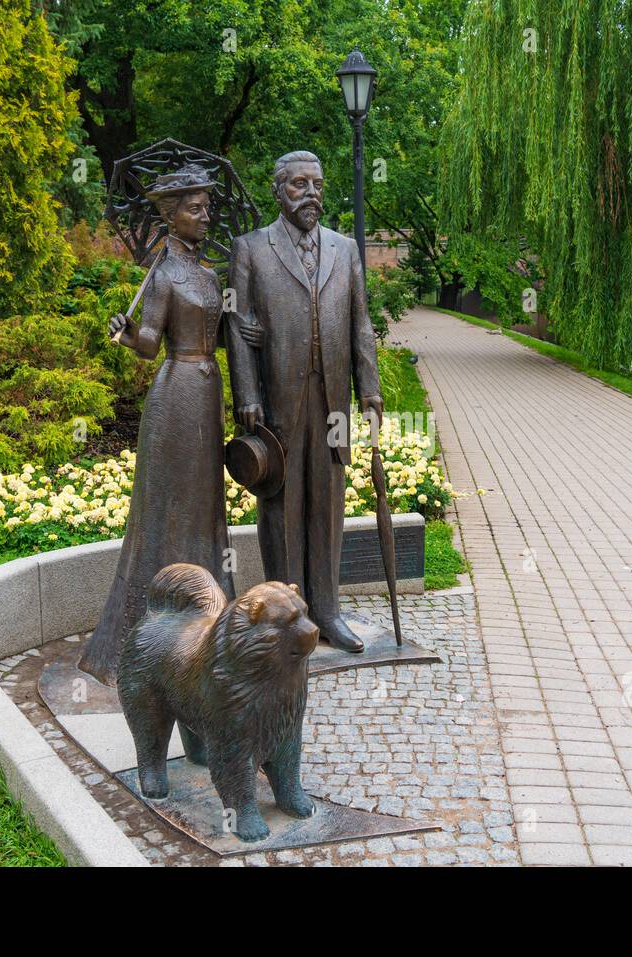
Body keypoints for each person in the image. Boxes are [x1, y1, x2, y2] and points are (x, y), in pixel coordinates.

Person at [79, 164, 235, 685]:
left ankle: (211, 621)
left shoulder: (209, 273)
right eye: (195, 208)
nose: (205, 216)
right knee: (169, 508)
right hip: (177, 394)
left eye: (207, 207)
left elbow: (223, 330)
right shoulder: (163, 275)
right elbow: (149, 346)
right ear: (171, 216)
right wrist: (123, 333)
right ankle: (146, 639)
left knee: (205, 506)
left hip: (208, 391)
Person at [225, 150, 383, 653]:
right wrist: (246, 394)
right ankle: (286, 615)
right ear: (278, 192)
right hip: (276, 400)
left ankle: (329, 612)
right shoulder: (250, 249)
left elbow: (360, 324)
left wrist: (371, 389)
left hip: (333, 398)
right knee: (281, 507)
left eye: (316, 184)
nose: (310, 193)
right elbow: (237, 327)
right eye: (298, 185)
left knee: (328, 504)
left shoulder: (346, 249)